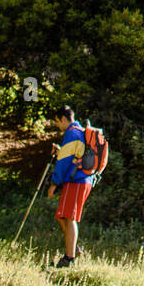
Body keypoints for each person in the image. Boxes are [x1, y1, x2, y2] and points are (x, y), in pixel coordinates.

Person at [46, 106, 93, 267]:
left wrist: (54, 183)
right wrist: (60, 151)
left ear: (64, 119)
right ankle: (73, 248)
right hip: (82, 180)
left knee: (69, 217)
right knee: (61, 215)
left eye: (58, 121)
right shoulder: (79, 131)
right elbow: (72, 156)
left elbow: (63, 163)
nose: (58, 125)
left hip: (77, 181)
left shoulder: (72, 133)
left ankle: (69, 259)